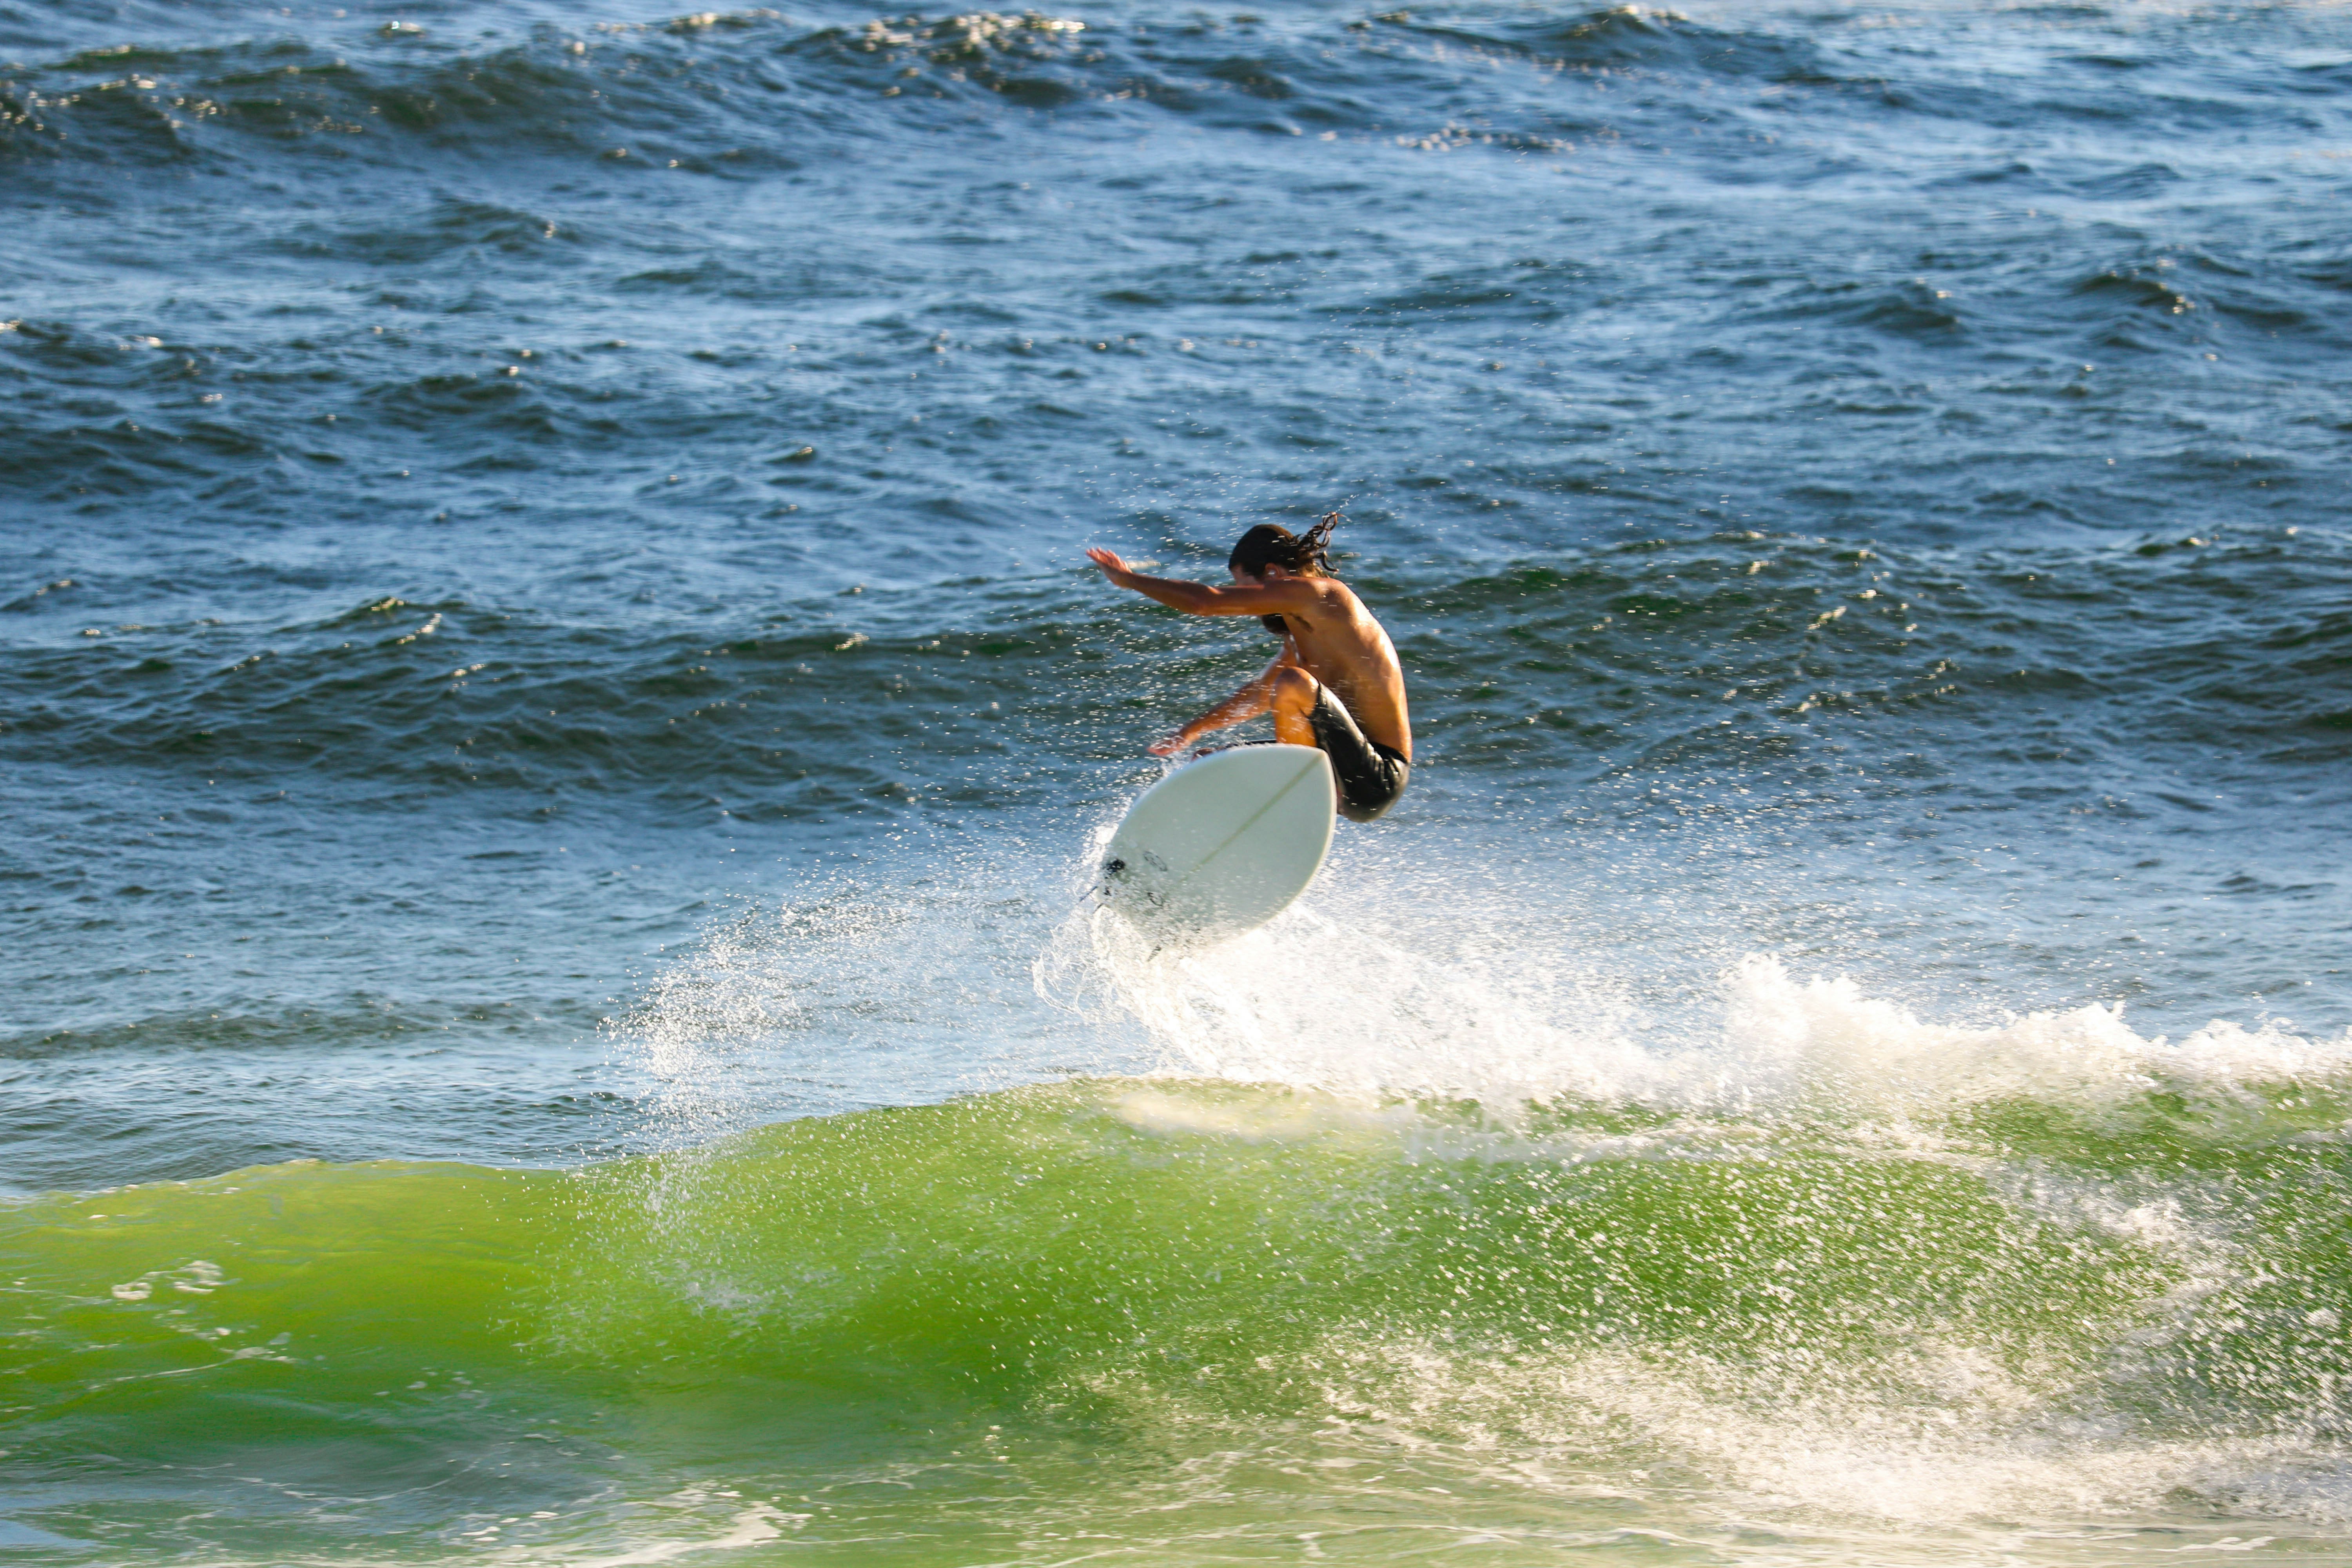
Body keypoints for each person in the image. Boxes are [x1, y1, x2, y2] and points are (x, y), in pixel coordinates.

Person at [1086, 513, 1412, 823]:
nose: (1250, 601)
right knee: (1211, 763)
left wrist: (1129, 580)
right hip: (1339, 766)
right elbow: (1260, 695)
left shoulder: (1325, 597)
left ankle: (1295, 801)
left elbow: (1206, 602)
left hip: (1377, 775)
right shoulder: (1300, 634)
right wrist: (1191, 731)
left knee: (1293, 683)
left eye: (1246, 587)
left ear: (1272, 573)